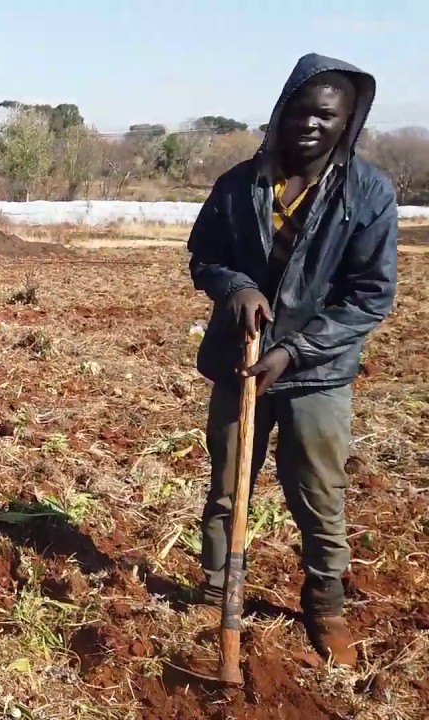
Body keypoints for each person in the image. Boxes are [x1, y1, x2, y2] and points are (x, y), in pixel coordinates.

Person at [187, 53, 397, 666]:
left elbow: (370, 295)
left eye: (326, 115)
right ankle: (217, 586)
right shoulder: (239, 184)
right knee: (228, 485)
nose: (311, 124)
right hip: (238, 362)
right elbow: (204, 257)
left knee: (319, 490)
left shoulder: (368, 194)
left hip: (316, 374)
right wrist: (235, 288)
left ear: (348, 122)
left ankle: (324, 602)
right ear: (282, 112)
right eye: (301, 110)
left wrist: (294, 350)